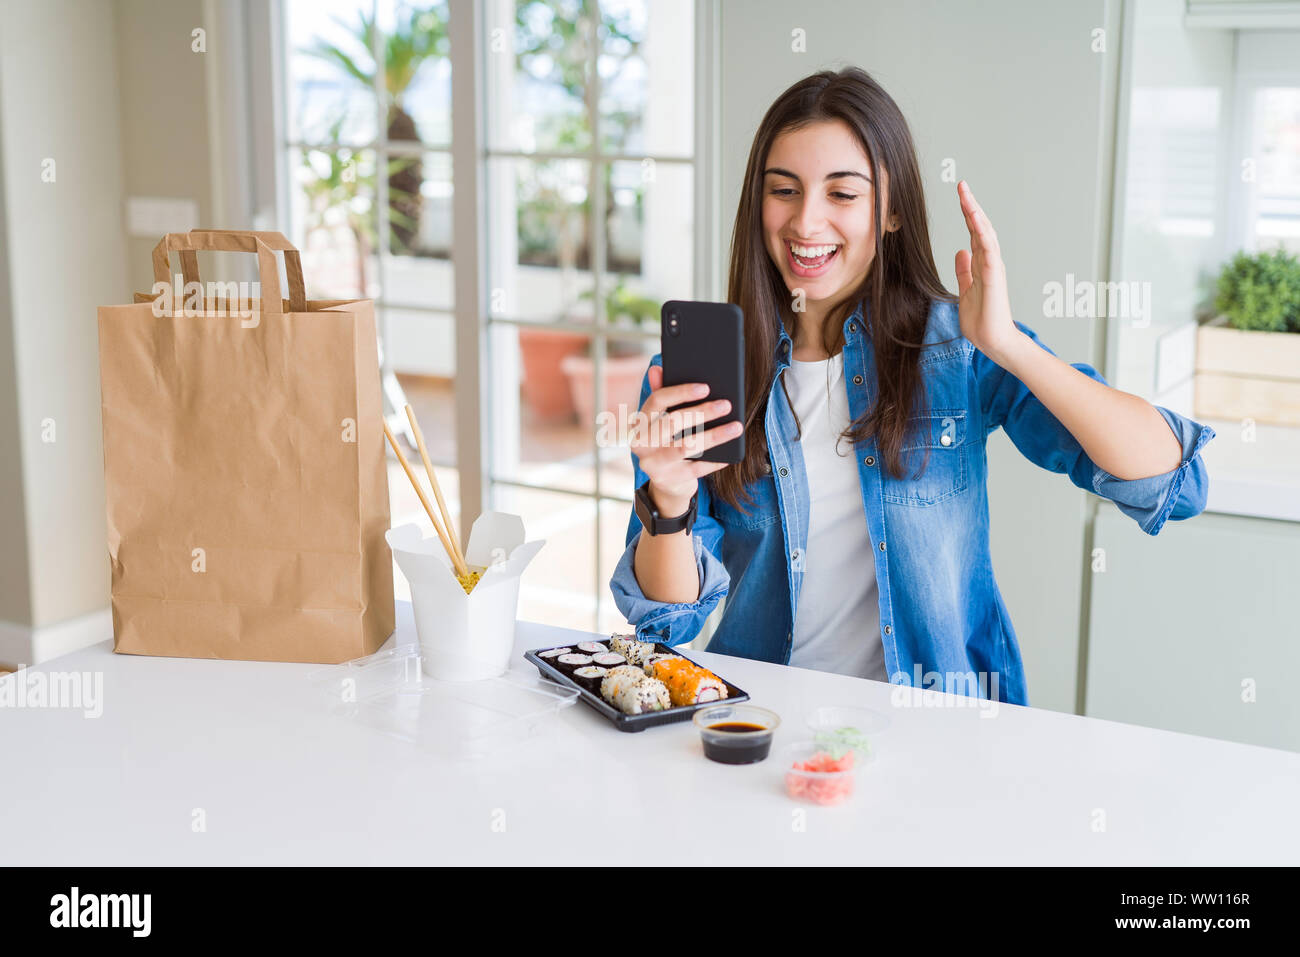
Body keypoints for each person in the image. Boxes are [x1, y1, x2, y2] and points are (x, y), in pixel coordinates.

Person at [607, 67, 1212, 705]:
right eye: (783, 190)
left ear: (892, 210)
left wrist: (1009, 346)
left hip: (938, 738)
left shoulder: (958, 348)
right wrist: (668, 501)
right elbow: (666, 622)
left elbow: (1172, 479)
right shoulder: (705, 375)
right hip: (763, 729)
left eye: (843, 194)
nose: (806, 222)